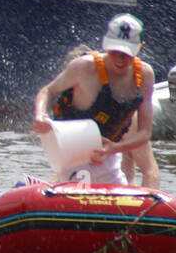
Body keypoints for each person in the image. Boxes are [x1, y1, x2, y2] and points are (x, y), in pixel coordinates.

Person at [32, 14, 156, 186]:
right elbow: (48, 91)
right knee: (70, 184)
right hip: (71, 151)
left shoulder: (145, 76)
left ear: (140, 47)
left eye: (126, 53)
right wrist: (40, 115)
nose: (120, 58)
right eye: (115, 51)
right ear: (105, 43)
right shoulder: (84, 67)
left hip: (109, 157)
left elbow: (145, 133)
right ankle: (38, 189)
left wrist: (114, 148)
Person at [60, 43, 160, 188]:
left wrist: (145, 207)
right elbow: (71, 173)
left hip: (117, 198)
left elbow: (151, 172)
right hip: (83, 190)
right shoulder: (77, 117)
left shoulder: (127, 120)